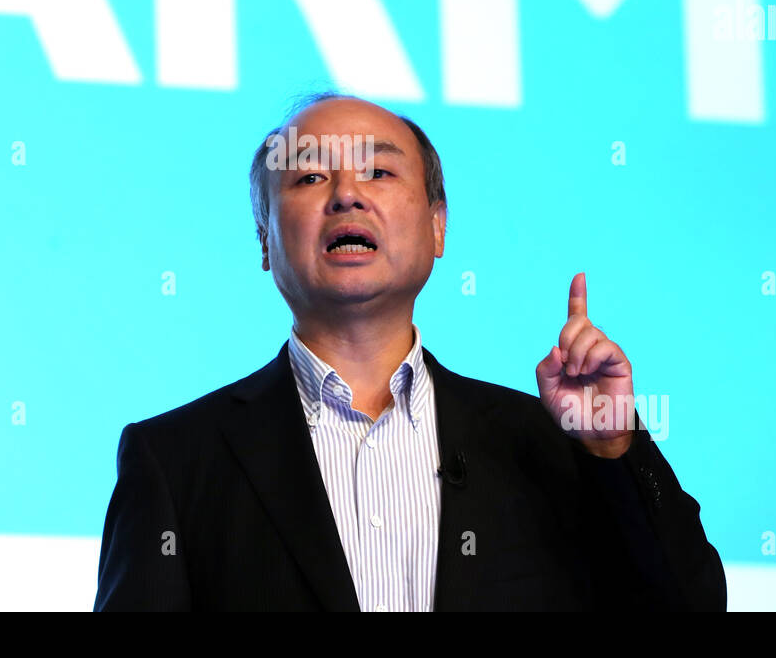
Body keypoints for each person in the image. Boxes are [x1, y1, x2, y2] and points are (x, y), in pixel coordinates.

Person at [92, 91, 725, 610]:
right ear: (264, 240)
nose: (346, 195)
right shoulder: (176, 461)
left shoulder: (546, 444)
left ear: (437, 225)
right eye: (309, 176)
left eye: (379, 171)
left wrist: (611, 446)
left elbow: (689, 606)